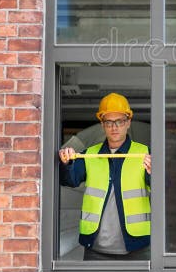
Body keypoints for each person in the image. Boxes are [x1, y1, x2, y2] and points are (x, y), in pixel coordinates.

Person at [59, 93, 152, 261]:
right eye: (109, 122)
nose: (114, 127)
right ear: (102, 125)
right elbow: (69, 180)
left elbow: (163, 190)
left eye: (120, 121)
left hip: (137, 247)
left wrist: (155, 173)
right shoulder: (89, 154)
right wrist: (67, 163)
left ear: (128, 122)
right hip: (96, 248)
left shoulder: (144, 154)